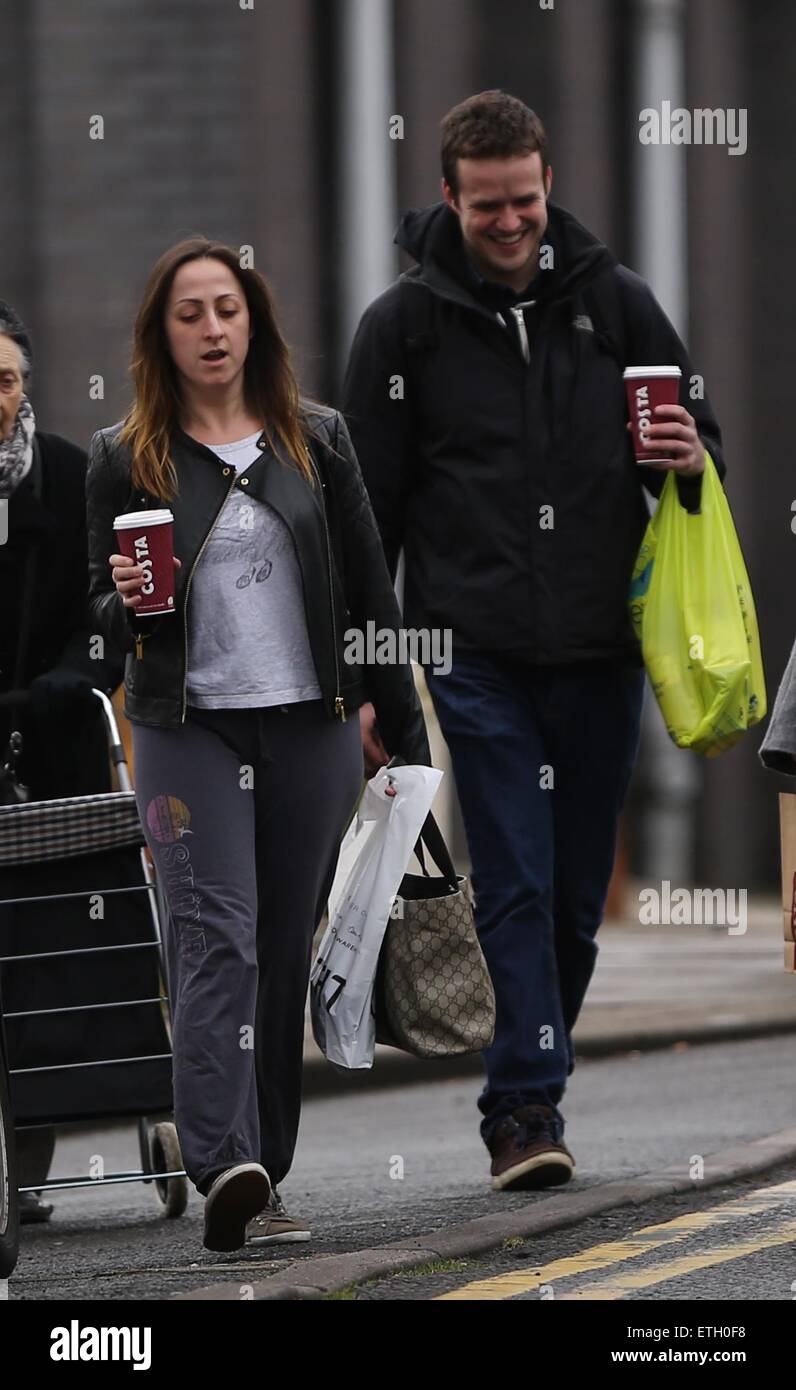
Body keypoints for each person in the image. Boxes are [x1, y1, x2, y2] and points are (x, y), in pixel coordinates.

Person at [343, 91, 726, 1192]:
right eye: (486, 208)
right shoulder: (400, 330)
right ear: (449, 198)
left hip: (604, 649)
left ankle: (531, 1081)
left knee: (567, 897)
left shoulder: (616, 305)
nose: (509, 224)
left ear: (545, 184)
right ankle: (521, 1110)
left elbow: (698, 438)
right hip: (477, 652)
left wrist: (688, 456)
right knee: (510, 874)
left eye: (524, 201)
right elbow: (371, 519)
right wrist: (370, 678)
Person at [86, 238, 430, 1251]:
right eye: (188, 314)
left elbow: (371, 592)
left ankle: (262, 1173)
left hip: (310, 729)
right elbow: (93, 625)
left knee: (279, 947)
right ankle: (222, 1156)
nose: (211, 330)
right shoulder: (125, 455)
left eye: (225, 310)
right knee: (213, 936)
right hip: (185, 727)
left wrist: (400, 732)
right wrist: (127, 599)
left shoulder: (315, 439)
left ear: (255, 324)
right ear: (162, 334)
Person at [0, 299, 125, 1222]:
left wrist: (71, 679)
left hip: (56, 748)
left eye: (4, 382)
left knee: (48, 948)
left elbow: (103, 621)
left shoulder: (75, 478)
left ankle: (27, 1161)